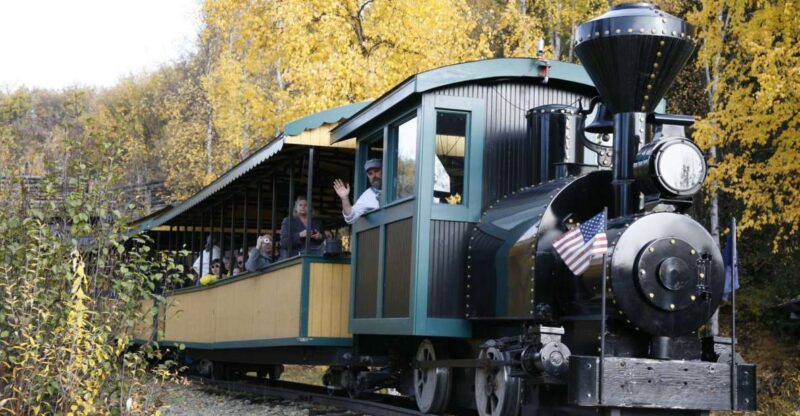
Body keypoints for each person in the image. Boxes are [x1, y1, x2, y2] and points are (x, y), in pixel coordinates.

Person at [333, 158, 381, 224]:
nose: (374, 176)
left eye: (376, 171)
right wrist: (344, 198)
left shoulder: (398, 188)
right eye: (370, 173)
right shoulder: (367, 195)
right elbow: (350, 218)